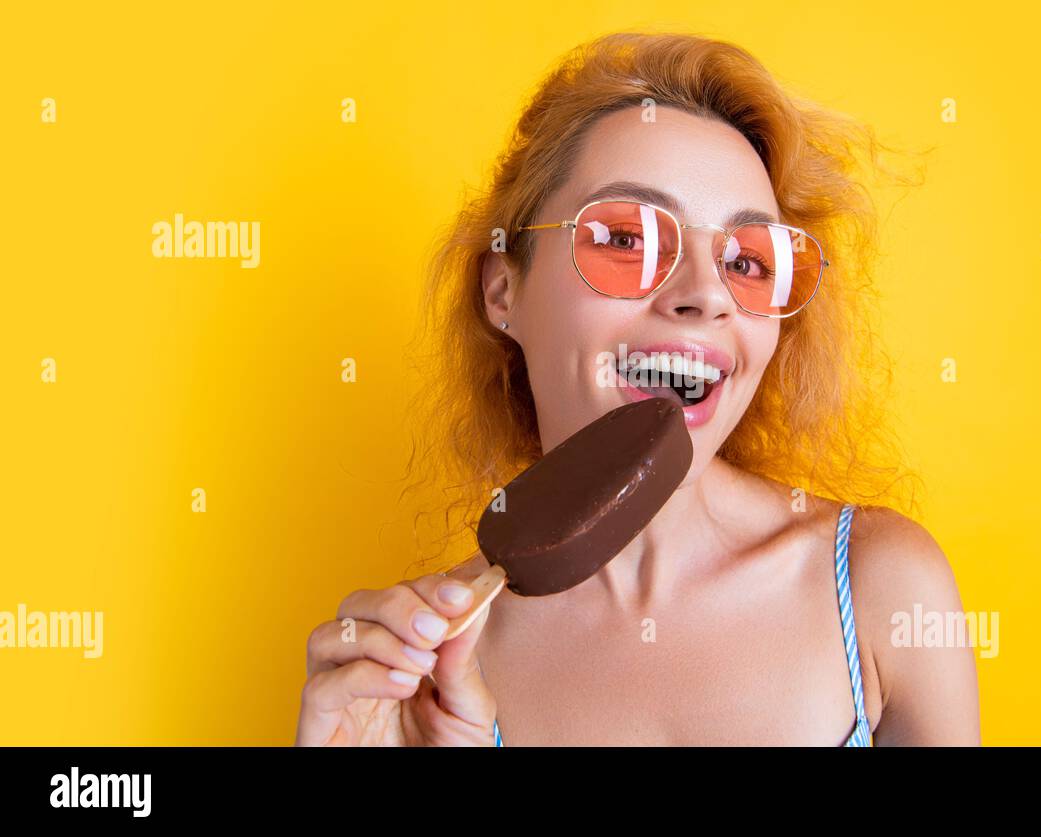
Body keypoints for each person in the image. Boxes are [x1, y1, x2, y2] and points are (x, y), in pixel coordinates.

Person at [296, 32, 980, 746]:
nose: (706, 295)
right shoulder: (431, 671)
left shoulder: (884, 590)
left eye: (748, 260)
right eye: (628, 239)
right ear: (504, 290)